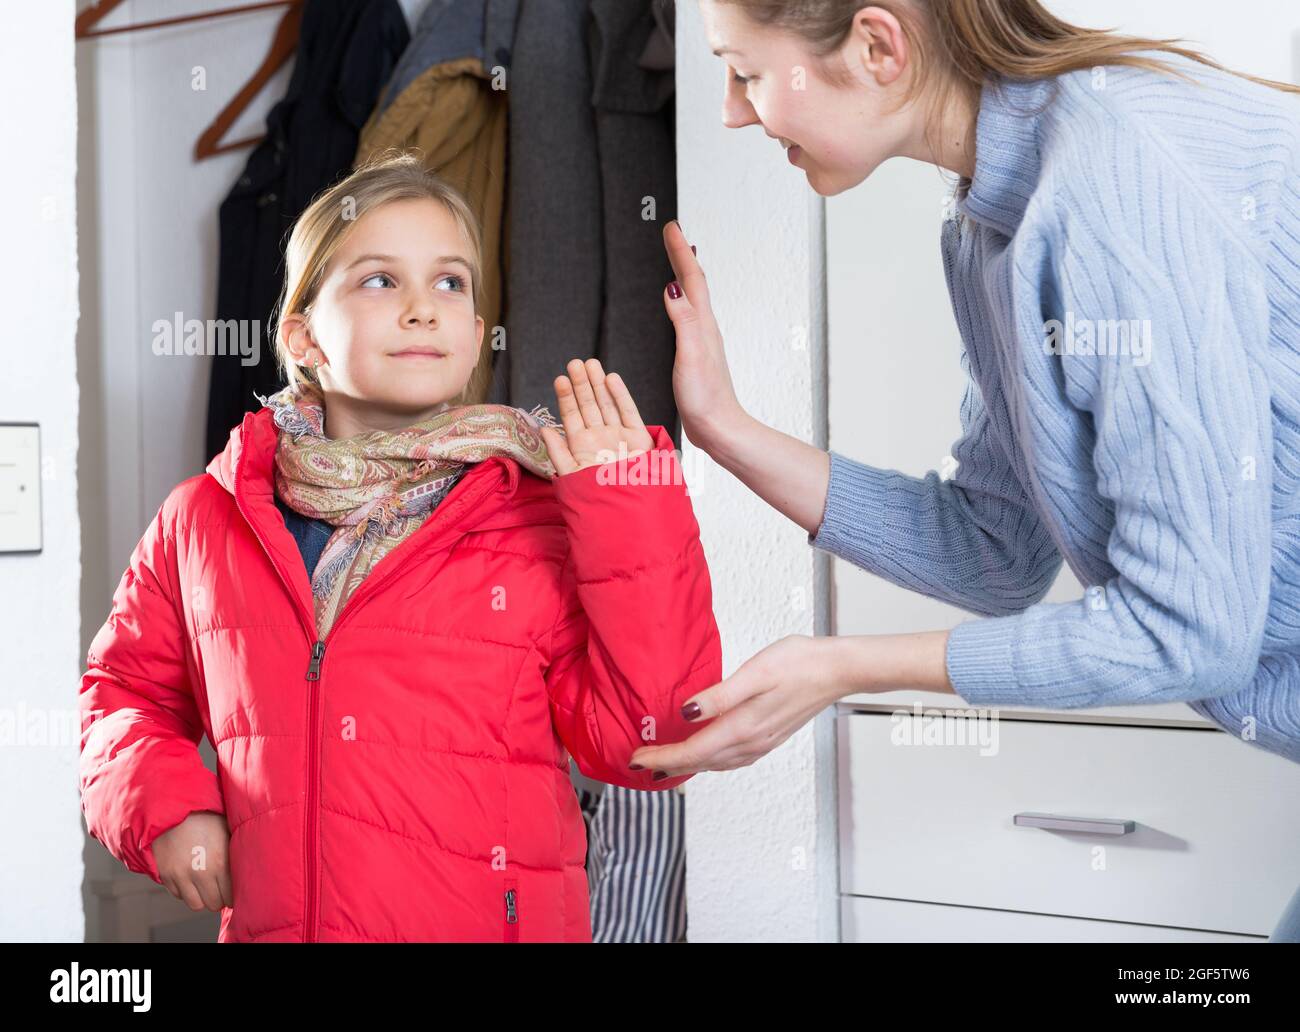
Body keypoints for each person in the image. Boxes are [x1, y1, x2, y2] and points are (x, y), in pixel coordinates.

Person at [632, 0, 1300, 942]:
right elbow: (995, 553)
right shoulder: (989, 228)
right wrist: (726, 427)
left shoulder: (1108, 186)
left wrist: (840, 669)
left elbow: (1192, 631)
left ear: (875, 46)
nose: (734, 113)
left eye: (744, 71)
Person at [77, 150, 722, 942]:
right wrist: (168, 809)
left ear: (477, 334)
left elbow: (652, 743)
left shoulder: (537, 514)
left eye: (450, 282)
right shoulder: (203, 519)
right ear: (303, 336)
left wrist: (631, 510)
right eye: (381, 280)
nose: (423, 307)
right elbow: (123, 693)